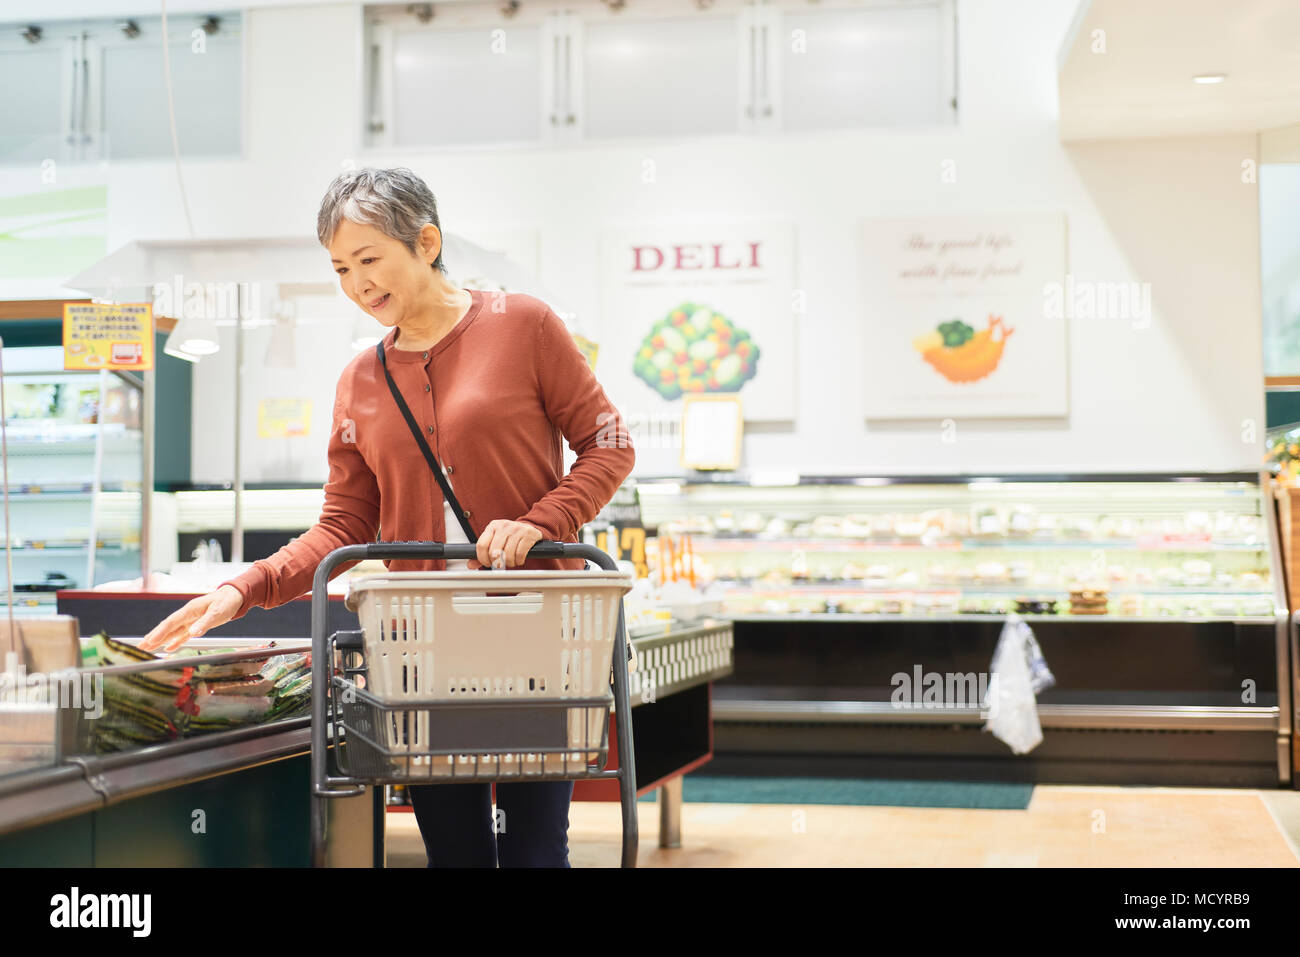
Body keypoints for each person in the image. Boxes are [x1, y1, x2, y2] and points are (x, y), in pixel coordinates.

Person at [140, 167, 635, 867]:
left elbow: (609, 445)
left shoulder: (523, 324)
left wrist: (542, 521)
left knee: (535, 848)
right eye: (341, 268)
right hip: (420, 648)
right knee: (454, 851)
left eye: (369, 259)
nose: (357, 283)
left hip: (534, 636)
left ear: (426, 242)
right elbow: (343, 526)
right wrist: (241, 590)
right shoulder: (361, 380)